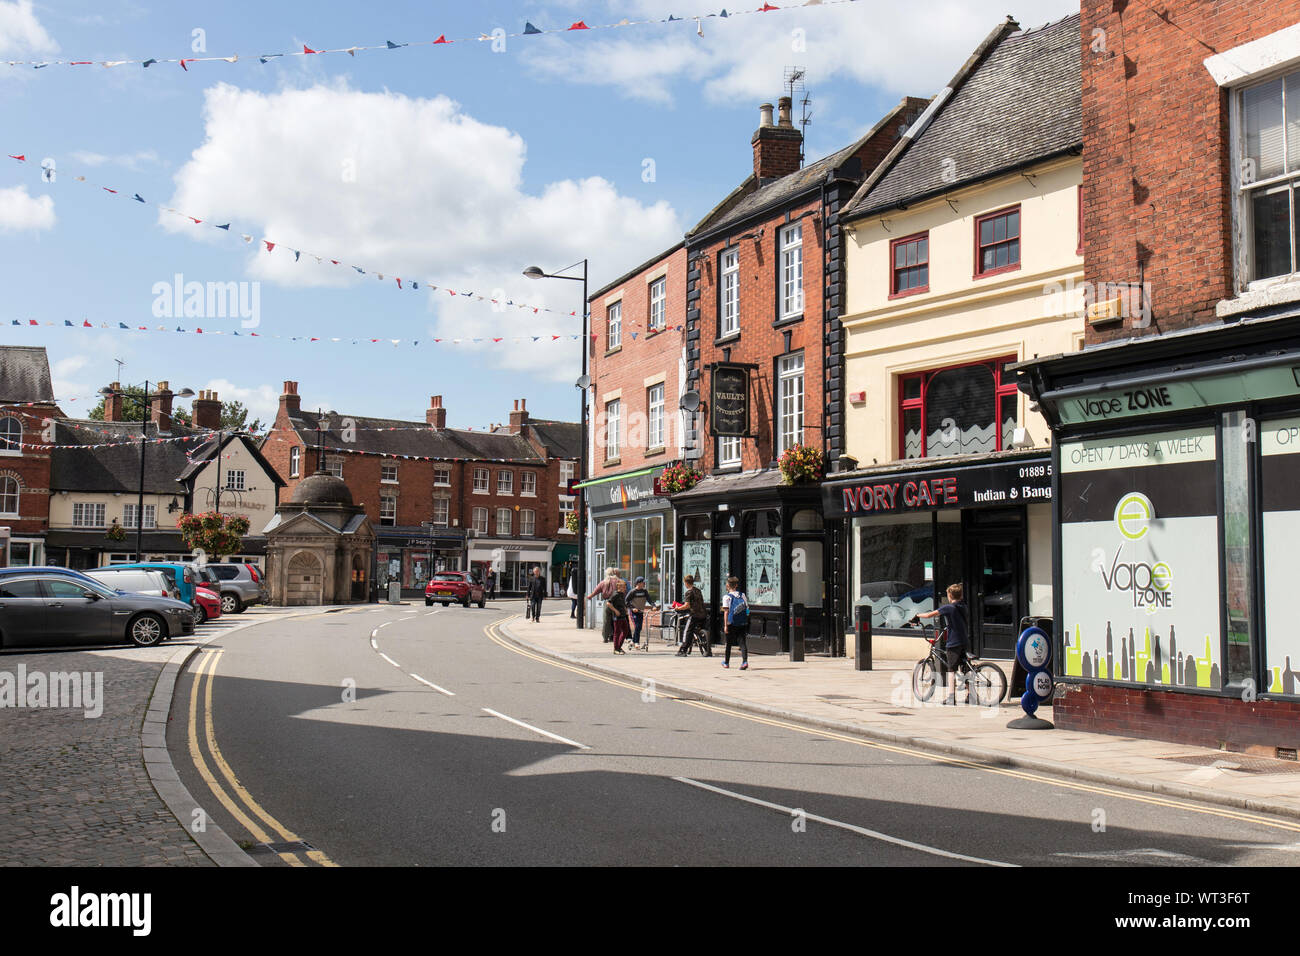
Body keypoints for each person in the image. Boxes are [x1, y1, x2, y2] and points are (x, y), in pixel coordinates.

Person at [913, 583, 969, 705]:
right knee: (965, 667)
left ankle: (950, 697)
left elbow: (929, 615)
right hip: (964, 639)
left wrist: (917, 615)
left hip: (954, 641)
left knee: (951, 669)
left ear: (949, 595)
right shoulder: (963, 606)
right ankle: (969, 694)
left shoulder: (949, 608)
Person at [675, 574, 710, 657]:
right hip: (703, 614)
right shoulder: (698, 590)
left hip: (694, 614)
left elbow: (687, 605)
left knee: (687, 631)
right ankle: (708, 649)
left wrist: (678, 608)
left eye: (684, 583)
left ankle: (683, 650)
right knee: (702, 629)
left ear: (686, 583)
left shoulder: (688, 592)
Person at [720, 576, 749, 670]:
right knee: (742, 643)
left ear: (728, 585)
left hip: (731, 623)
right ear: (736, 585)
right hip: (742, 622)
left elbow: (726, 612)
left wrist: (725, 625)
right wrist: (746, 617)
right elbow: (747, 609)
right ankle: (744, 662)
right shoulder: (742, 595)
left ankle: (726, 662)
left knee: (729, 643)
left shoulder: (726, 597)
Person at [587, 568, 621, 643]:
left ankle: (605, 637)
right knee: (616, 621)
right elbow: (623, 592)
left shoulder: (604, 582)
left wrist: (590, 596)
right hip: (617, 603)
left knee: (606, 621)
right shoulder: (618, 581)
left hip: (607, 603)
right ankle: (615, 637)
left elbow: (596, 591)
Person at [607, 576, 630, 654]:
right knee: (617, 633)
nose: (625, 589)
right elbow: (608, 603)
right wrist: (615, 610)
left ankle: (618, 647)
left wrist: (625, 609)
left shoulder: (622, 594)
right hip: (617, 617)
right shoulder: (615, 594)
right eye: (624, 587)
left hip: (623, 616)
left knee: (626, 631)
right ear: (619, 587)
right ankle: (616, 649)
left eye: (625, 587)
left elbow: (622, 604)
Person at [627, 576, 650, 650]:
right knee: (637, 626)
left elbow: (649, 599)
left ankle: (633, 642)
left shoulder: (644, 591)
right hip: (634, 612)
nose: (644, 584)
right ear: (638, 583)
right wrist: (632, 608)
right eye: (643, 582)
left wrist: (653, 605)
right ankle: (637, 642)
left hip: (640, 611)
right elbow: (626, 601)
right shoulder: (633, 592)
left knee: (639, 627)